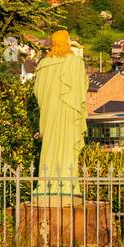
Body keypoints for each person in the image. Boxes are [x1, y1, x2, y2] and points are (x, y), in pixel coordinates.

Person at [32, 30, 87, 203]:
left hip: (49, 114)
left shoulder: (43, 65)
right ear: (66, 41)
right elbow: (81, 87)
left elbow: (38, 92)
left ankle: (47, 186)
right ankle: (67, 188)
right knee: (67, 148)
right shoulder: (75, 62)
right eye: (69, 39)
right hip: (68, 113)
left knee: (49, 147)